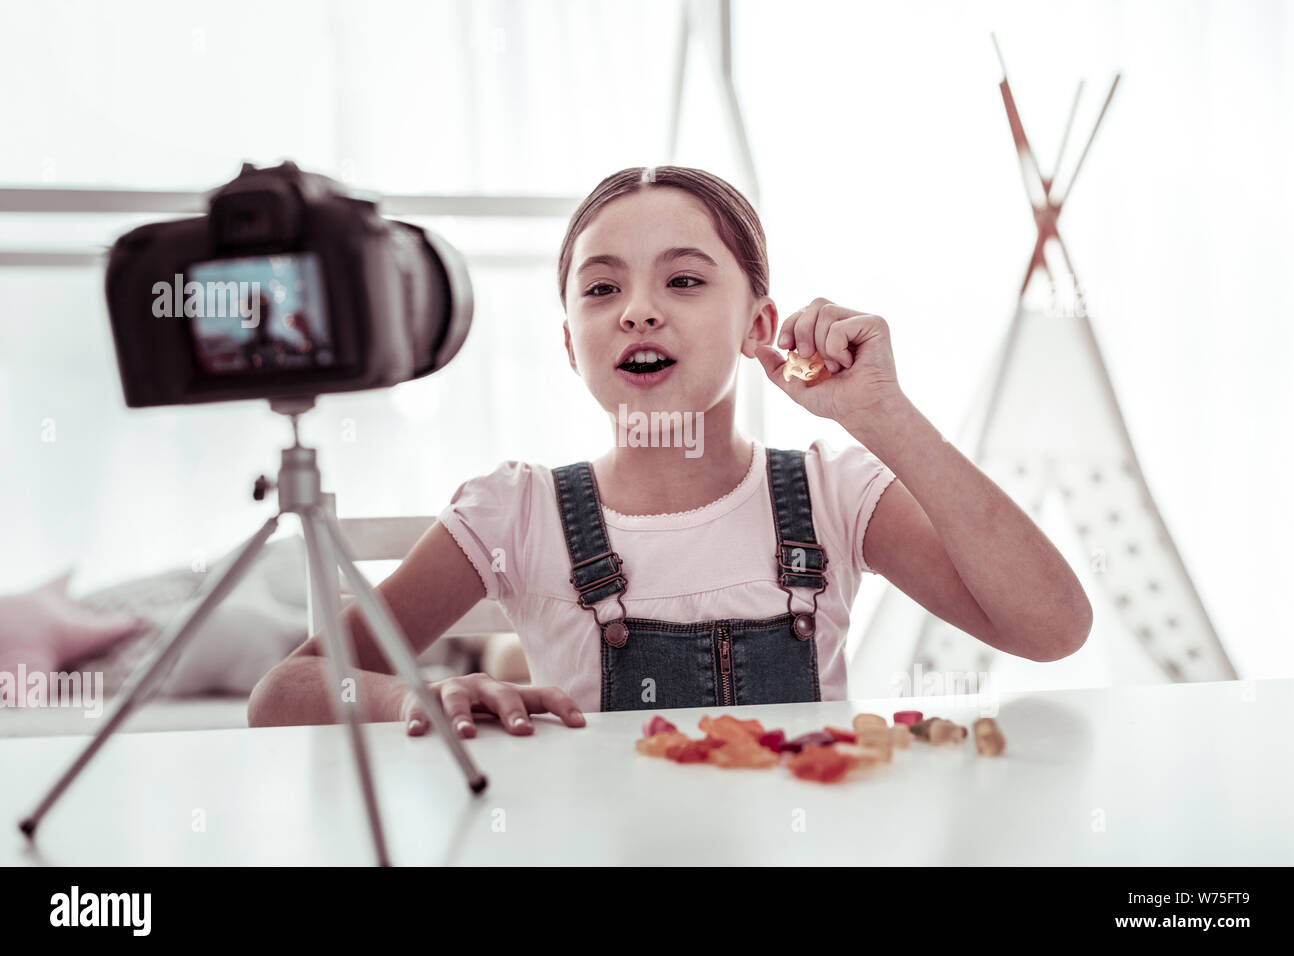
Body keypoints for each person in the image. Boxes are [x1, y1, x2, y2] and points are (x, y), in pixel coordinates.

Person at [248, 165, 1092, 738]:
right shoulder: (516, 512)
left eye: (684, 280)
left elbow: (1054, 629)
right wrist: (412, 694)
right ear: (572, 344)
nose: (639, 311)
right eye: (603, 287)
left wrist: (885, 417)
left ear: (760, 327)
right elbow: (281, 694)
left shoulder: (836, 494)